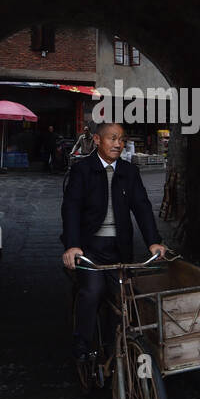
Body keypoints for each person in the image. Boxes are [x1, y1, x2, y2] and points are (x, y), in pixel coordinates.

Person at [61, 122, 166, 362]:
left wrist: (153, 241)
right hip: (90, 248)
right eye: (112, 138)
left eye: (121, 139)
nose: (118, 144)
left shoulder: (129, 172)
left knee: (124, 298)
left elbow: (142, 207)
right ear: (97, 140)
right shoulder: (82, 170)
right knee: (93, 291)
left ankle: (114, 346)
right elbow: (71, 209)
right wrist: (72, 245)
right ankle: (83, 345)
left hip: (120, 248)